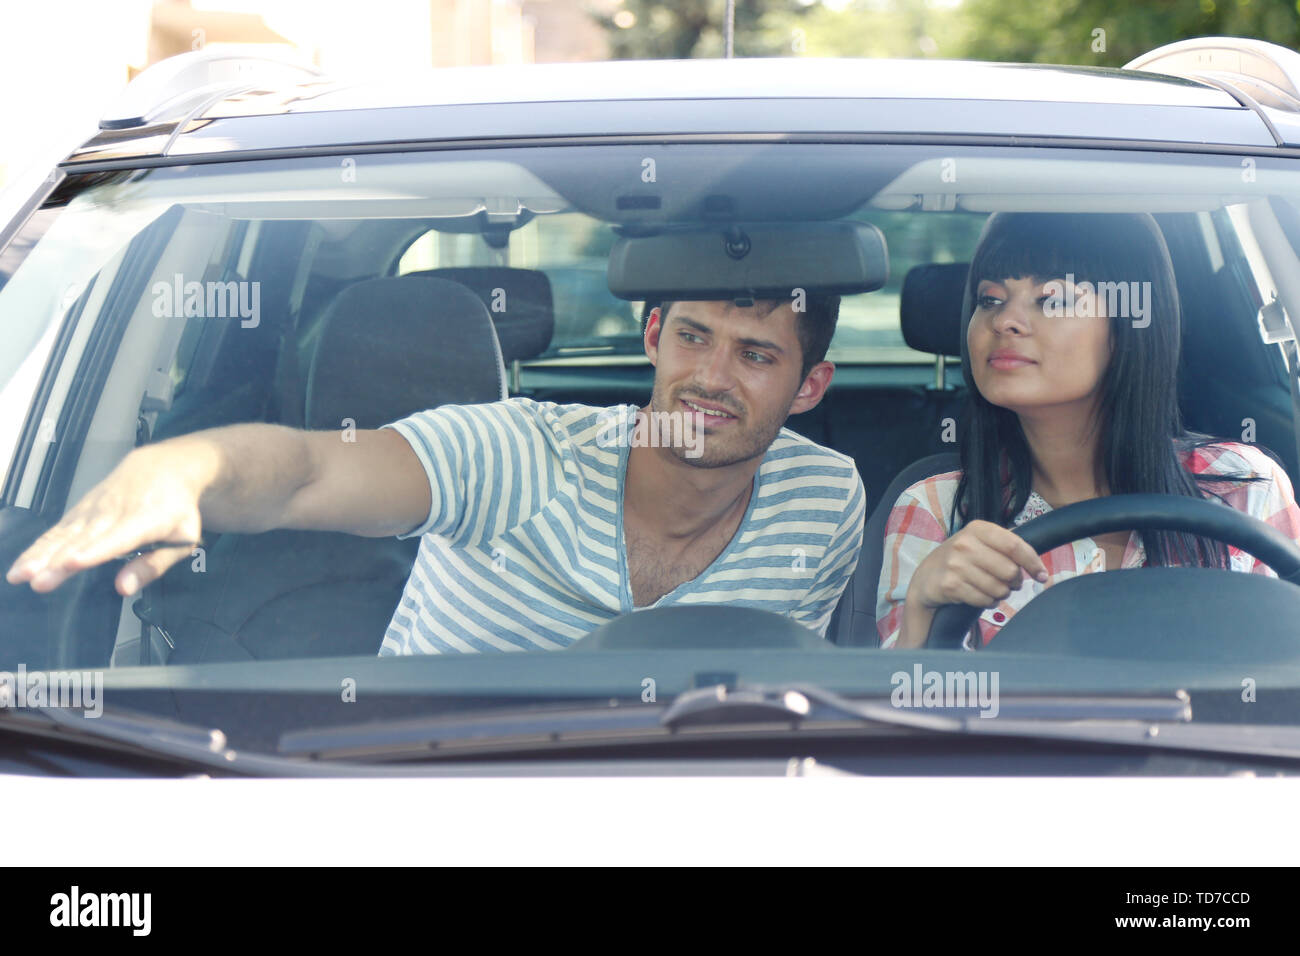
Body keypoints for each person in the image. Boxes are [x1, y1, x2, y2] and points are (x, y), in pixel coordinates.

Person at [8, 295, 866, 654]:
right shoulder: (519, 455)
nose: (712, 377)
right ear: (650, 340)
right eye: (692, 337)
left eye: (756, 354)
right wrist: (188, 468)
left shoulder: (827, 501)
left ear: (811, 387)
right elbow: (307, 472)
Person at [877, 211, 1300, 650]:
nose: (1004, 321)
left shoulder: (1246, 487)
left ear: (1128, 328)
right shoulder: (935, 509)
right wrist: (921, 610)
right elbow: (902, 713)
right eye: (990, 299)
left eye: (1053, 299)